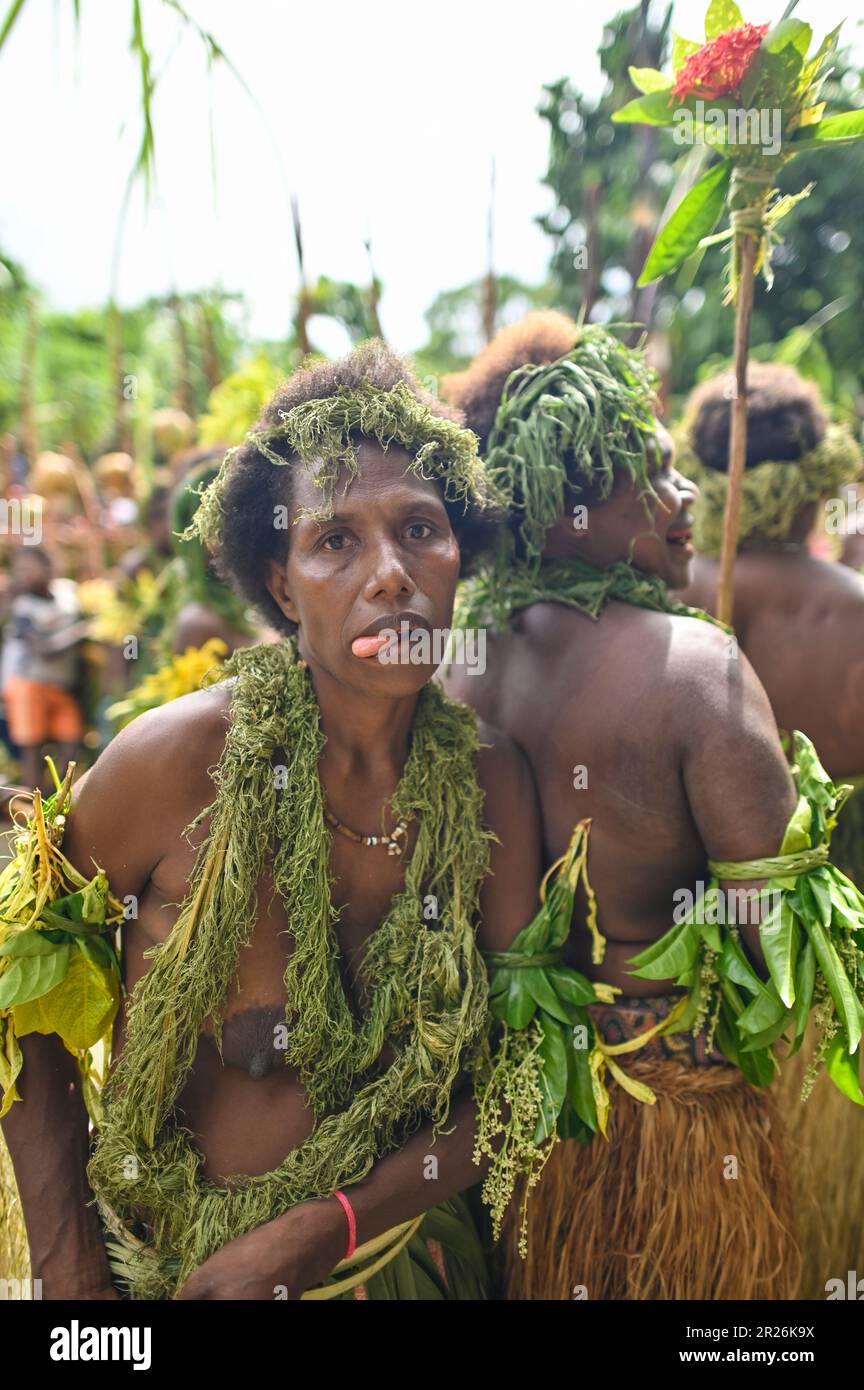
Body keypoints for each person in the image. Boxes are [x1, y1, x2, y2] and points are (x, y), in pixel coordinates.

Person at [0, 342, 544, 1301]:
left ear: (461, 550)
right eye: (335, 541)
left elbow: (521, 1071)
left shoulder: (491, 784)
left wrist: (327, 1229)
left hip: (404, 1262)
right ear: (282, 587)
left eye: (421, 529)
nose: (392, 575)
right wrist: (72, 1275)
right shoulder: (173, 766)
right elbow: (20, 997)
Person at [442, 313, 864, 1301]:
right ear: (568, 510)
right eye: (653, 474)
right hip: (681, 1130)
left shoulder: (461, 667)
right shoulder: (697, 668)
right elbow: (778, 942)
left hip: (526, 1132)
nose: (685, 497)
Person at [673, 360, 864, 1297]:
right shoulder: (853, 608)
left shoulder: (675, 601)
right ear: (815, 476)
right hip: (838, 930)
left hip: (686, 926)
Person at [0, 545, 86, 791]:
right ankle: (33, 803)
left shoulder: (67, 594)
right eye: (18, 569)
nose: (22, 573)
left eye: (29, 567)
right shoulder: (23, 607)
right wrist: (80, 632)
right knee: (32, 747)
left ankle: (59, 799)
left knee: (71, 744)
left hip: (61, 685)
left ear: (48, 566)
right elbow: (43, 649)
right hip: (28, 684)